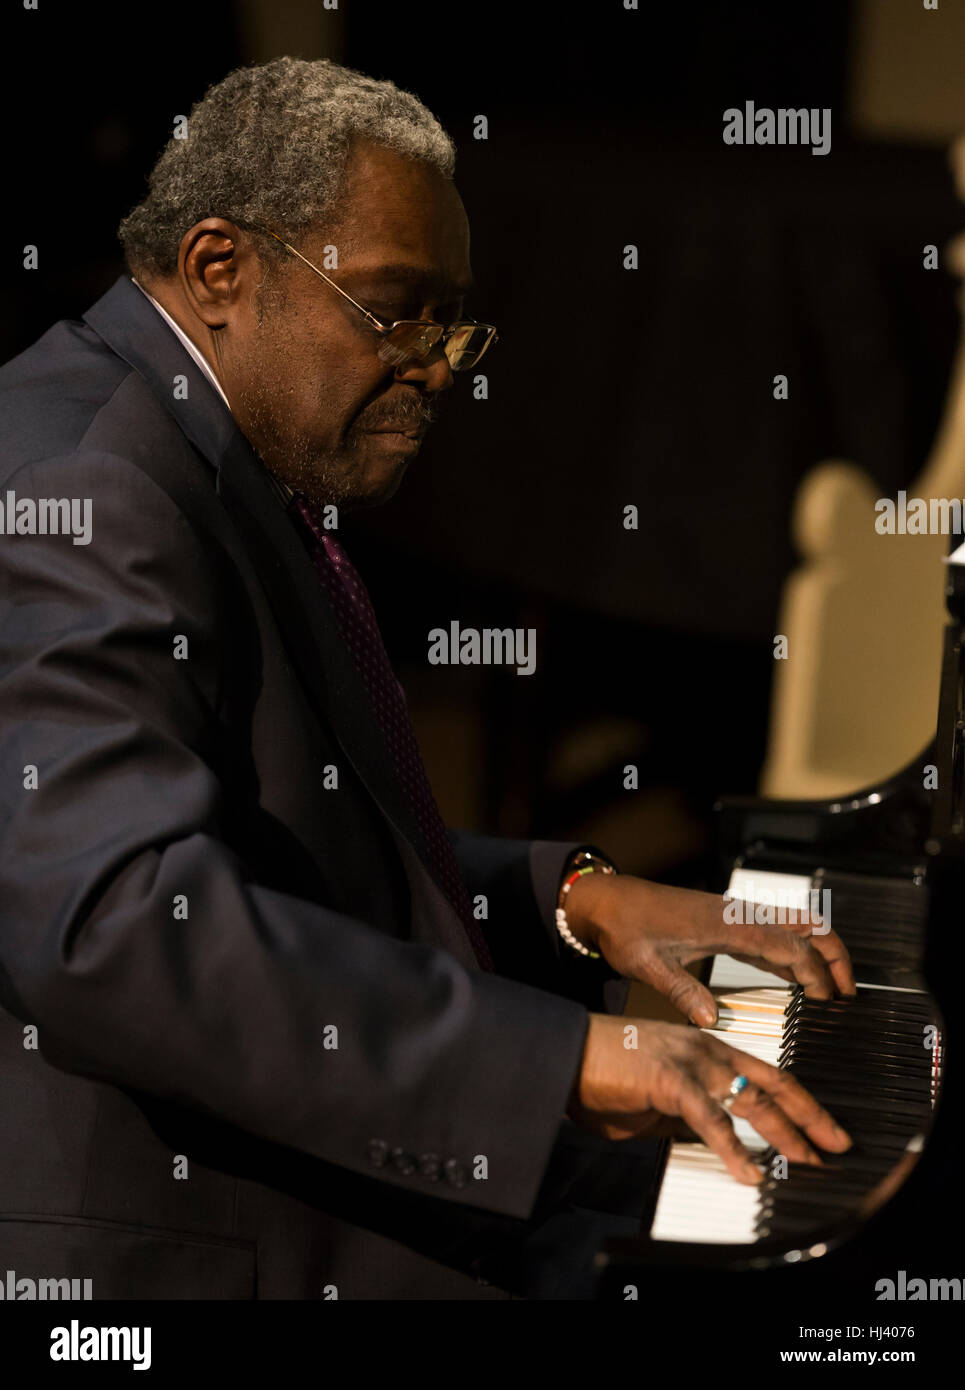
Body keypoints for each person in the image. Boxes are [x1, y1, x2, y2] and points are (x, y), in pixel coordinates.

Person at [0, 57, 854, 1301]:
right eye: (397, 310)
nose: (440, 364)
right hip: (200, 1238)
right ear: (222, 268)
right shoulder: (91, 493)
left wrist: (575, 899)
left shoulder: (189, 442)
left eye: (453, 320)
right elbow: (118, 926)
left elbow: (286, 840)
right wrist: (564, 1062)